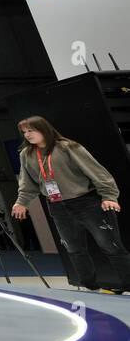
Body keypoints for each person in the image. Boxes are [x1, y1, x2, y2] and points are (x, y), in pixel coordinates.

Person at [11, 115, 130, 291]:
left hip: (87, 202)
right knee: (74, 249)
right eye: (24, 132)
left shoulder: (68, 147)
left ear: (44, 129)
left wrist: (109, 196)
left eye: (31, 130)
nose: (27, 135)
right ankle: (90, 286)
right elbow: (27, 183)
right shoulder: (26, 154)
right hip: (57, 206)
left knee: (111, 246)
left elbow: (98, 173)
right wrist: (21, 202)